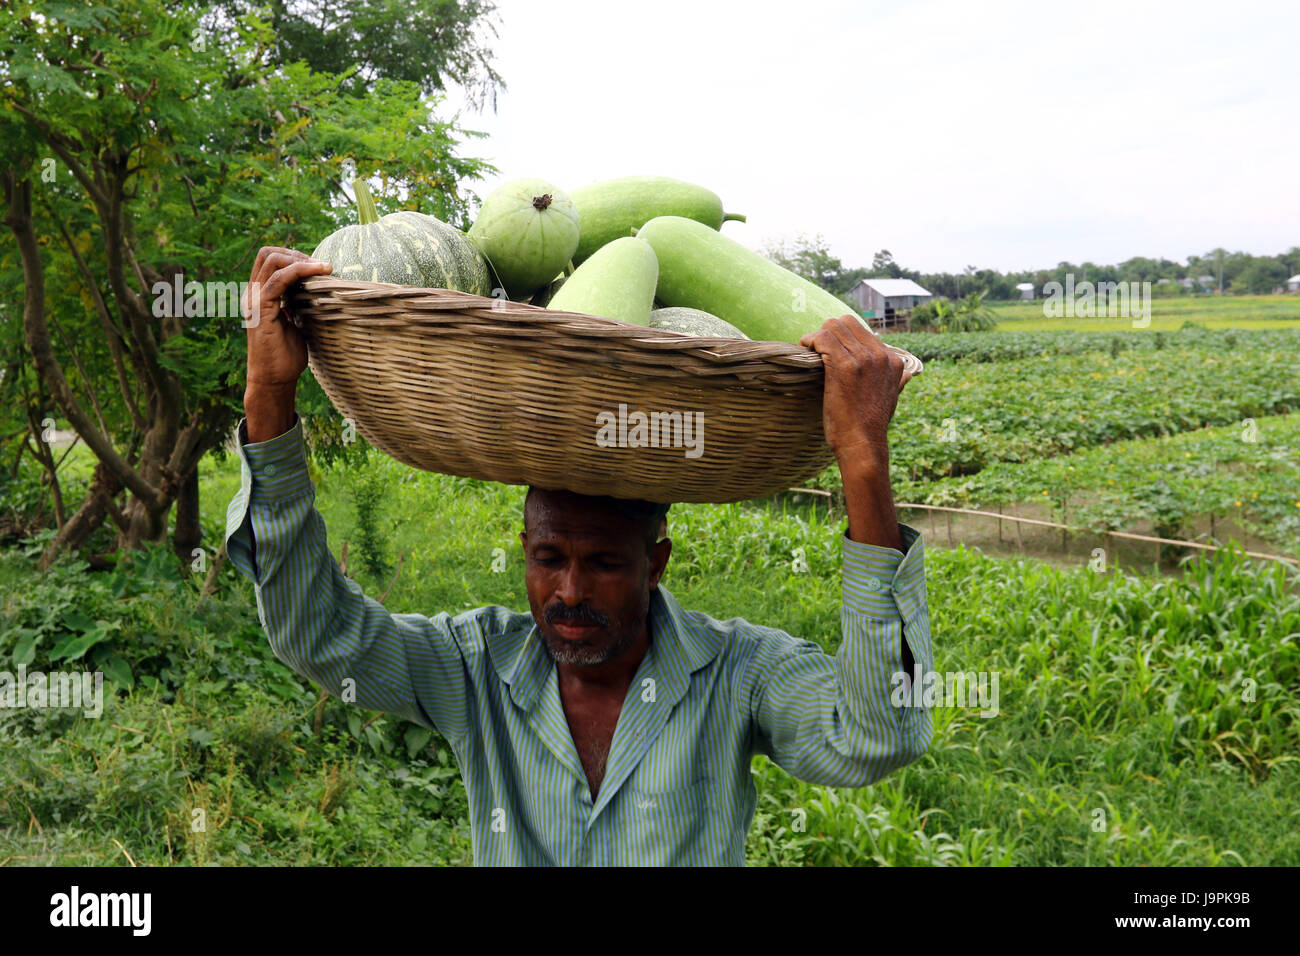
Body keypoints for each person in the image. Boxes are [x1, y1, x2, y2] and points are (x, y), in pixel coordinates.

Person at [229, 247, 933, 866]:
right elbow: (318, 634)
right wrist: (270, 392)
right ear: (525, 553)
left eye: (604, 563)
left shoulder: (738, 676)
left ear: (655, 565)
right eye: (548, 557)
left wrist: (863, 460)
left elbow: (875, 736)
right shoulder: (476, 669)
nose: (569, 591)